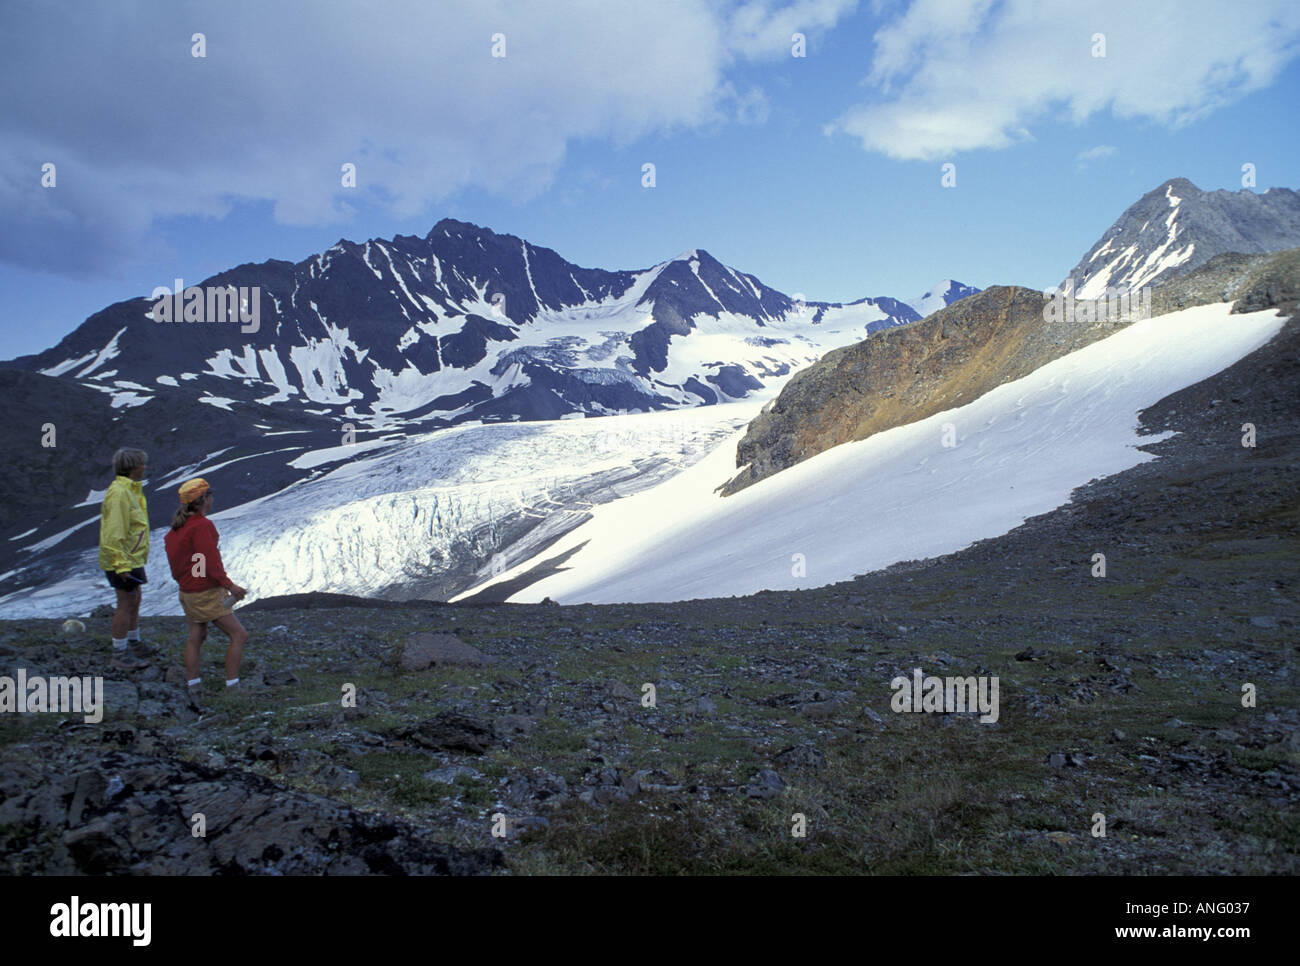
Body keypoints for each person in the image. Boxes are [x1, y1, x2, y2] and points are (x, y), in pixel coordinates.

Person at [163, 478, 249, 693]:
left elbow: (190, 562)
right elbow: (207, 558)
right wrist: (229, 585)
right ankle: (232, 685)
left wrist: (190, 580)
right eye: (210, 496)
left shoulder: (176, 529)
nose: (213, 500)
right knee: (239, 635)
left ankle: (193, 684)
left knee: (197, 636)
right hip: (206, 592)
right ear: (204, 500)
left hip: (188, 592)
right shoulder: (201, 526)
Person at [98, 447, 156, 670]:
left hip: (132, 558)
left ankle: (134, 641)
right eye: (142, 464)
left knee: (135, 598)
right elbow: (114, 532)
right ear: (133, 467)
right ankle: (119, 654)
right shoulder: (120, 493)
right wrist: (121, 565)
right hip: (122, 560)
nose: (145, 467)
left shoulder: (130, 490)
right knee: (125, 602)